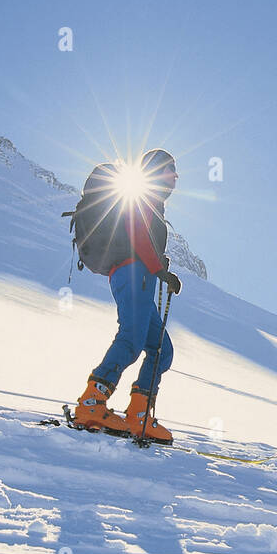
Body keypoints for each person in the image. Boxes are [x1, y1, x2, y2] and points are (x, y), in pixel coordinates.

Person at [73, 149, 182, 443]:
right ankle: (91, 403)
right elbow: (137, 234)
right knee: (132, 339)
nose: (175, 178)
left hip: (137, 273)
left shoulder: (153, 203)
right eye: (171, 171)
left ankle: (138, 415)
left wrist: (158, 265)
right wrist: (160, 268)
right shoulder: (143, 197)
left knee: (161, 350)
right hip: (133, 273)